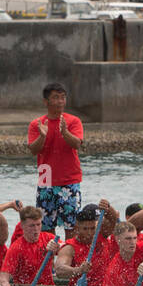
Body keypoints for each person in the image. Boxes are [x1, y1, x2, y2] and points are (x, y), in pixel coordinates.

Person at [26, 82, 84, 237]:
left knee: (71, 227)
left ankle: (69, 259)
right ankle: (50, 259)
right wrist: (42, 136)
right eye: (56, 97)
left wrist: (64, 132)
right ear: (46, 101)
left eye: (63, 97)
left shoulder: (73, 121)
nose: (60, 101)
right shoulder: (37, 124)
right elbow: (33, 150)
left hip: (69, 179)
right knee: (46, 228)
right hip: (46, 179)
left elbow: (77, 144)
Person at [0, 207, 60, 286]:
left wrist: (58, 247)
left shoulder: (49, 238)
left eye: (38, 224)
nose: (36, 229)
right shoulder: (16, 248)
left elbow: (67, 248)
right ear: (22, 226)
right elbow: (2, 281)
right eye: (31, 226)